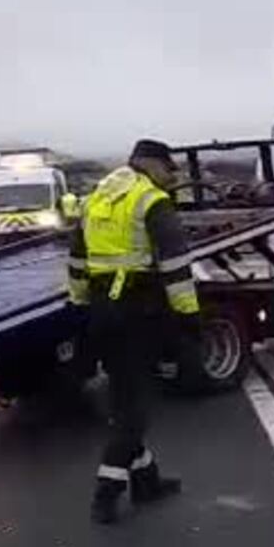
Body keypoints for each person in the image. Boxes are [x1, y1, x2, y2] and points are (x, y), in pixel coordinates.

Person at [66, 140, 199, 525]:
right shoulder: (151, 201)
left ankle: (147, 482)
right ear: (150, 164)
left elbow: (76, 258)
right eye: (167, 168)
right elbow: (176, 265)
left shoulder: (97, 198)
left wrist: (79, 303)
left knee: (125, 394)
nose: (170, 176)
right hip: (138, 313)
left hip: (102, 310)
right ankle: (106, 494)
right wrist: (189, 315)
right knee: (134, 412)